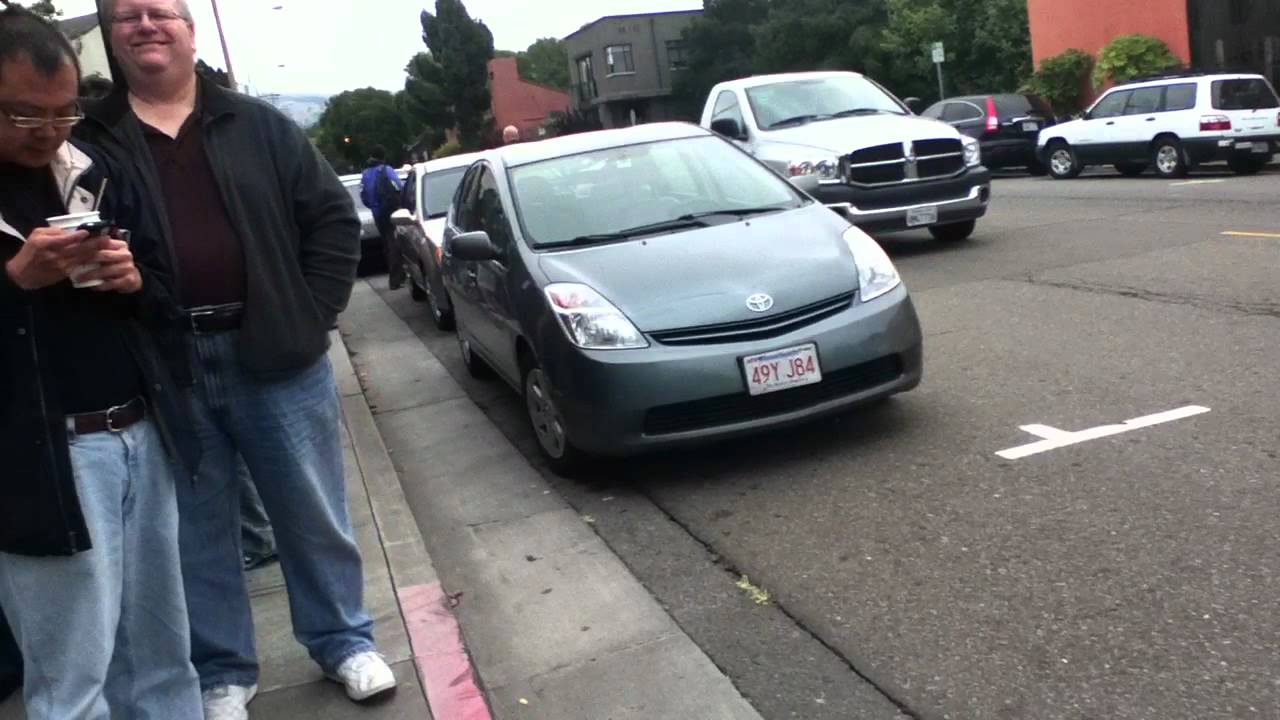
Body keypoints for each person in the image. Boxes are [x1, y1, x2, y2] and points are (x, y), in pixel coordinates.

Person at [79, 1, 396, 718]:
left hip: (277, 355)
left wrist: (312, 316)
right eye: (126, 15)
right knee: (195, 529)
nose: (145, 25)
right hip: (165, 365)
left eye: (160, 10)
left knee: (311, 512)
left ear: (189, 29)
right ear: (110, 35)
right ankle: (222, 669)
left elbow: (332, 220)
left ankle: (343, 640)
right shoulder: (92, 141)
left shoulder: (258, 125)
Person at [0, 6, 202, 718]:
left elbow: (168, 287)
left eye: (64, 112)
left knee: (164, 646)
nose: (51, 131)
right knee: (73, 674)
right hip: (42, 461)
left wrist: (135, 279)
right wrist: (14, 281)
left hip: (139, 430)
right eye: (25, 116)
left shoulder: (95, 165)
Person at [359, 144, 404, 289]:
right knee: (395, 244)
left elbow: (364, 196)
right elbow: (398, 186)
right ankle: (396, 279)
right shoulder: (386, 170)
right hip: (390, 211)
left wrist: (373, 207)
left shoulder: (365, 174)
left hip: (377, 214)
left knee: (387, 243)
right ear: (383, 156)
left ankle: (396, 275)